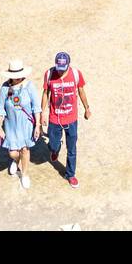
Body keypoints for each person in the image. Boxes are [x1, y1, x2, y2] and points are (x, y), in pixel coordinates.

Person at [42, 51, 90, 188]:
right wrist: (42, 113)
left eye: (63, 69)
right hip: (54, 118)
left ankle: (70, 174)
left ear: (69, 65)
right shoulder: (49, 74)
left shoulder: (76, 74)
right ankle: (55, 149)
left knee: (72, 148)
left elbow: (81, 91)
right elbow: (46, 93)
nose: (60, 72)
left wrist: (87, 108)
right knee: (53, 145)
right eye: (58, 68)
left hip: (71, 117)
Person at [0, 59, 42, 190]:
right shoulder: (5, 88)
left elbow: (36, 107)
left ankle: (25, 174)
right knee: (13, 152)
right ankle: (16, 160)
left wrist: (37, 125)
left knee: (25, 149)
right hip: (10, 125)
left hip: (25, 125)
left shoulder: (29, 86)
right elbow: (0, 109)